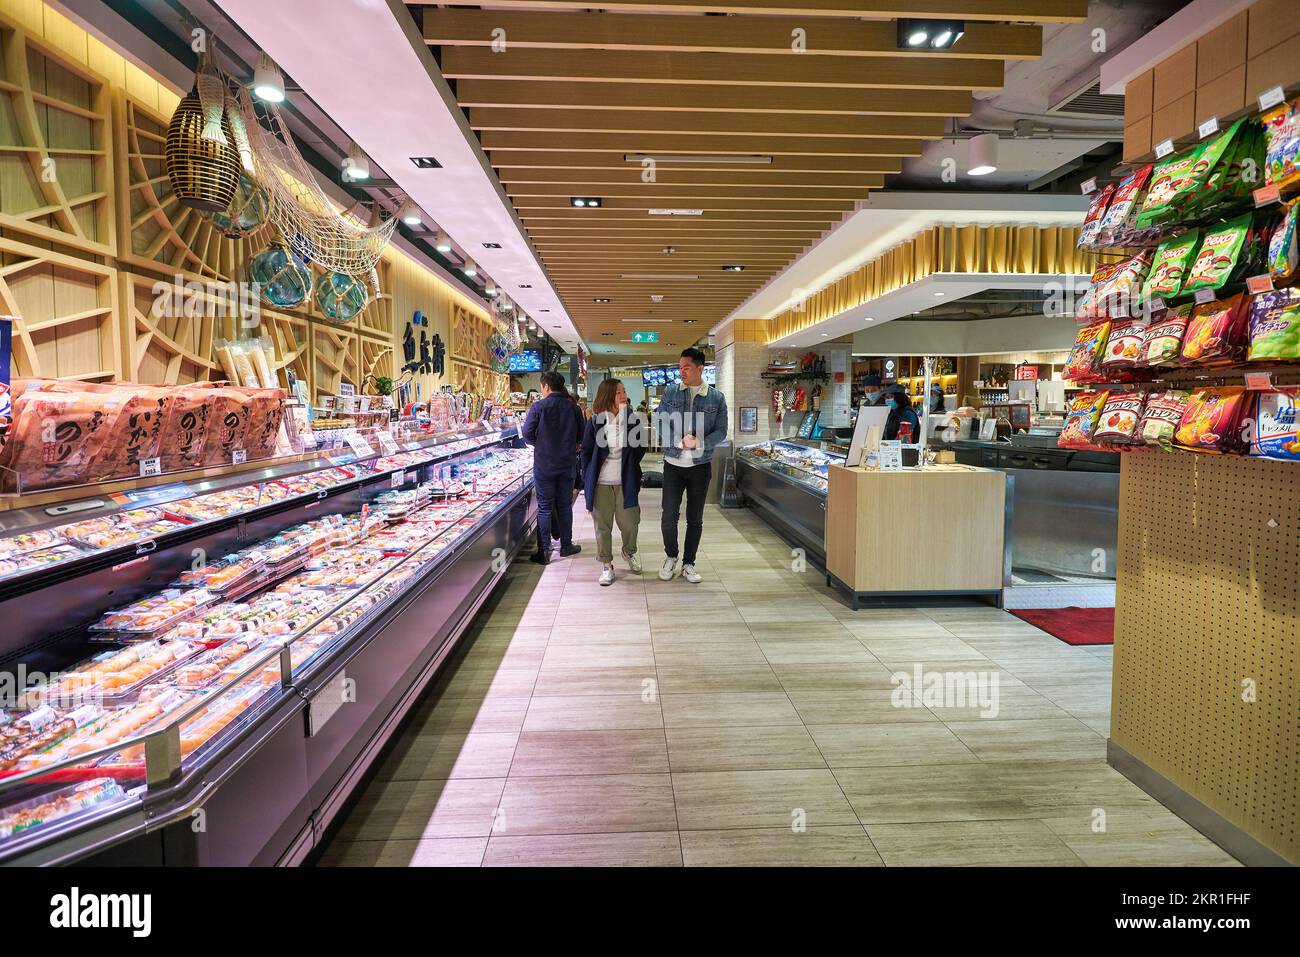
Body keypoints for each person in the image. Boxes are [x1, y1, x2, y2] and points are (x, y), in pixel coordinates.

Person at [655, 347, 728, 583]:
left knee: (695, 518)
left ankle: (689, 563)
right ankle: (671, 556)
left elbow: (721, 430)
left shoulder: (716, 398)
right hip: (672, 464)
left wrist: (701, 442)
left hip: (700, 466)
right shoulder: (671, 392)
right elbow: (661, 421)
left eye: (686, 367)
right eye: (680, 367)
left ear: (700, 368)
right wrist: (678, 442)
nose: (681, 371)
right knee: (669, 516)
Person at [580, 378, 647, 586]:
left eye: (624, 391)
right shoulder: (595, 422)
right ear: (608, 396)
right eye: (619, 392)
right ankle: (606, 565)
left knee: (630, 523)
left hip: (625, 481)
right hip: (601, 483)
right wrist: (587, 476)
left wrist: (630, 468)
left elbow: (640, 448)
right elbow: (586, 451)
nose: (624, 395)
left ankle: (629, 551)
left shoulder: (633, 420)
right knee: (602, 525)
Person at [521, 371, 584, 564]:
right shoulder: (572, 407)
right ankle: (566, 545)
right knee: (565, 505)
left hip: (544, 464)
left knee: (545, 507)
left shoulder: (538, 407)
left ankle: (544, 552)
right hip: (567, 464)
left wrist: (540, 444)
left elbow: (527, 433)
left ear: (546, 386)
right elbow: (581, 435)